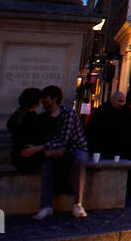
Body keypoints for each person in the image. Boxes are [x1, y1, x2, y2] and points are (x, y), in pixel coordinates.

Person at [31, 85, 89, 219]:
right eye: (42, 99)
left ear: (55, 99)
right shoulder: (44, 117)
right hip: (56, 149)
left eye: (46, 99)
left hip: (76, 148)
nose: (43, 102)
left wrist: (38, 148)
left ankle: (77, 204)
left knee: (80, 160)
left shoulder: (69, 114)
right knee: (47, 163)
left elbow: (64, 140)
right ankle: (46, 206)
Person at [7, 87, 48, 173]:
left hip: (17, 155)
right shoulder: (31, 118)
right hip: (28, 158)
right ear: (36, 102)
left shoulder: (19, 113)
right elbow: (39, 138)